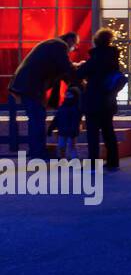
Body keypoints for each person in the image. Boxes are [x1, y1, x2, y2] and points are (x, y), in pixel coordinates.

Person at [10, 32, 78, 161]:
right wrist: (79, 80)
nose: (72, 49)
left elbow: (62, 70)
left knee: (37, 118)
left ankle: (37, 151)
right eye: (74, 45)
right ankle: (38, 152)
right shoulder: (59, 45)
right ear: (69, 40)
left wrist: (73, 72)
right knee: (37, 119)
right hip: (31, 86)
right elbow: (65, 67)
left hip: (28, 85)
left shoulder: (51, 45)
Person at [78, 28, 123, 171]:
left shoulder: (95, 58)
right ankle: (113, 161)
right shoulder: (113, 58)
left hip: (93, 100)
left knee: (93, 133)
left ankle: (93, 163)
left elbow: (79, 74)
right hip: (108, 101)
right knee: (108, 131)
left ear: (96, 42)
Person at [52, 86, 83, 161]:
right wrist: (52, 126)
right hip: (62, 130)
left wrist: (74, 130)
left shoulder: (75, 108)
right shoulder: (63, 106)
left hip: (70, 130)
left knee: (71, 146)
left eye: (70, 95)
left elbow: (76, 121)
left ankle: (74, 159)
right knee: (61, 145)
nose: (67, 96)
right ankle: (63, 159)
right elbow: (57, 117)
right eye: (67, 94)